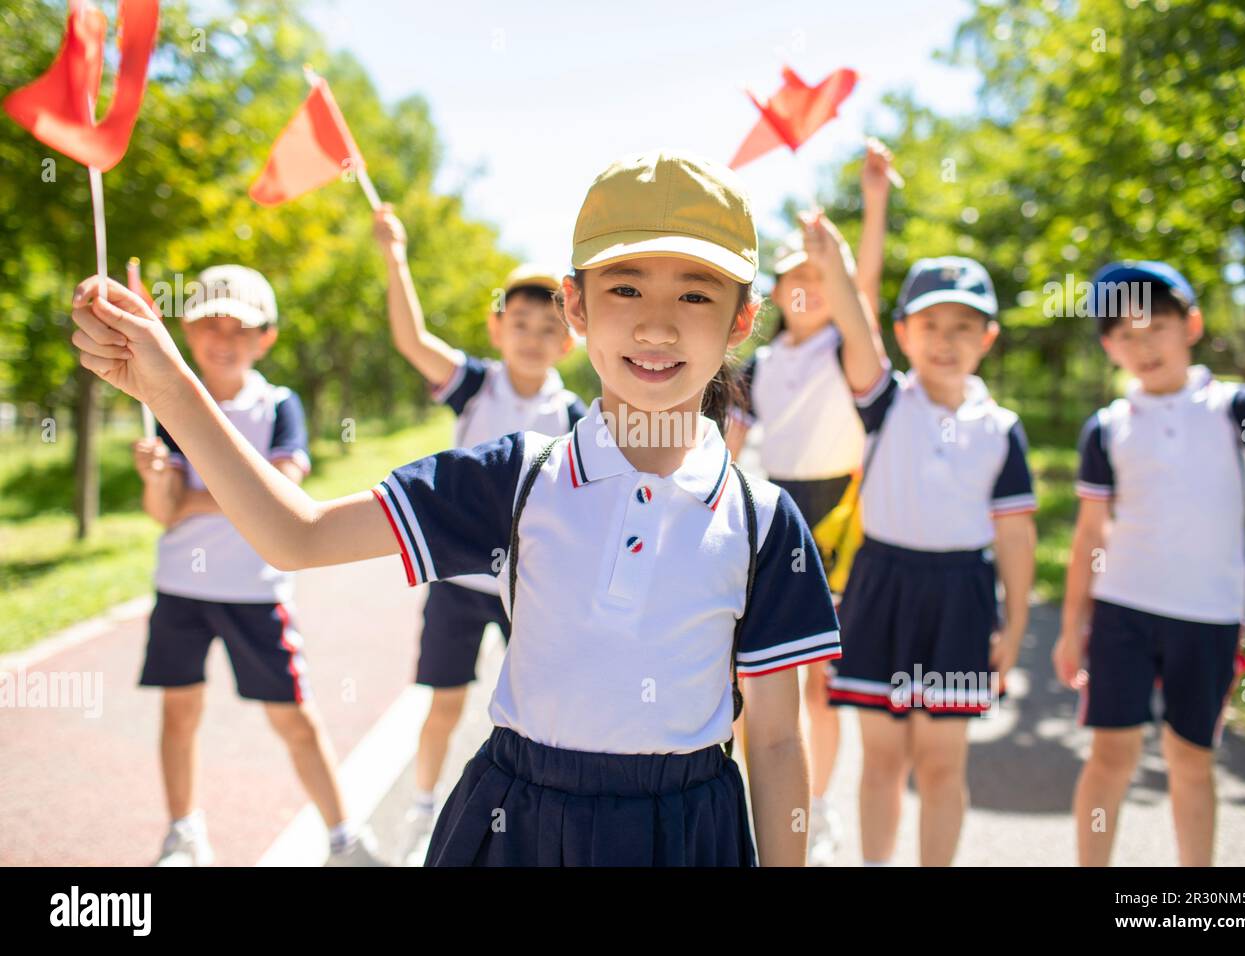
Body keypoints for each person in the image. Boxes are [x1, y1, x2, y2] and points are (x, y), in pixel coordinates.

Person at [71, 149, 841, 866]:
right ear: (577, 305)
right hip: (514, 821)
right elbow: (295, 534)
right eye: (626, 286)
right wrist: (170, 386)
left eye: (697, 292)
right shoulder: (518, 478)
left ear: (742, 319)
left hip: (685, 833)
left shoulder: (765, 522)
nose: (656, 323)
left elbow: (775, 743)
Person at [129, 265, 381, 866]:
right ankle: (183, 834)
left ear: (265, 337)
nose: (224, 336)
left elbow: (284, 491)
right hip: (180, 590)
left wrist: (196, 497)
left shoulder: (279, 404)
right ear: (187, 331)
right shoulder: (169, 403)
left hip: (257, 591)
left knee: (295, 719)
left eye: (240, 326)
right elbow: (165, 514)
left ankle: (344, 837)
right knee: (179, 712)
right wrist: (158, 484)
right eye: (210, 322)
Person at [1054, 260, 1245, 866]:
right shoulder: (1107, 428)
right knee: (1110, 757)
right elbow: (1090, 535)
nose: (1143, 345)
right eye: (1125, 335)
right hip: (1122, 613)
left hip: (1208, 614)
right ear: (1110, 346)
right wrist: (1069, 628)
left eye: (1155, 326)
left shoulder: (1232, 407)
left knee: (1191, 759)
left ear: (1190, 324)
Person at [373, 207, 584, 865]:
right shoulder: (473, 384)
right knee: (444, 704)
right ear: (497, 328)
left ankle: (547, 823)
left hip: (528, 587)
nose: (531, 336)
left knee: (545, 711)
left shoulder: (575, 417)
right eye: (518, 323)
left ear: (568, 341)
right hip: (458, 583)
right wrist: (394, 255)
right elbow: (411, 339)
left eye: (548, 326)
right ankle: (423, 810)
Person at [826, 254, 1038, 866]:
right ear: (903, 333)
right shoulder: (885, 401)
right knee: (884, 760)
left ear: (988, 337)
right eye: (930, 325)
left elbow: (1017, 537)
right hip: (882, 588)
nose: (945, 341)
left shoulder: (1001, 428)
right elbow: (851, 316)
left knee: (942, 765)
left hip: (962, 597)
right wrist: (834, 255)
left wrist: (1016, 625)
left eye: (963, 326)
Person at [724, 139, 895, 865]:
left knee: (818, 687)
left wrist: (873, 203)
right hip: (767, 521)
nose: (809, 289)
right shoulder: (757, 366)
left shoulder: (845, 351)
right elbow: (728, 446)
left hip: (836, 522)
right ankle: (747, 807)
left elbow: (868, 289)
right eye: (796, 278)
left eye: (821, 279)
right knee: (747, 681)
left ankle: (815, 811)